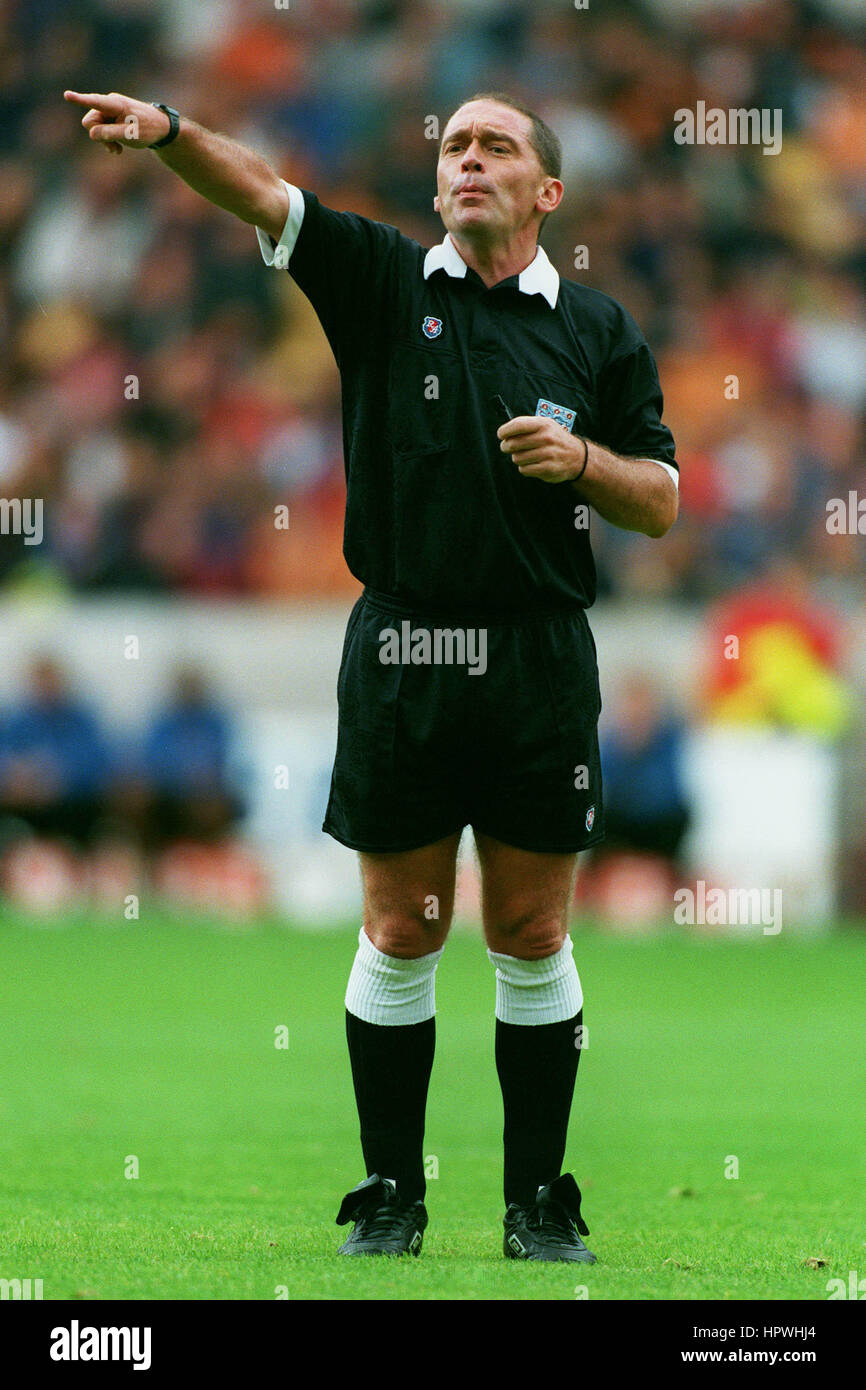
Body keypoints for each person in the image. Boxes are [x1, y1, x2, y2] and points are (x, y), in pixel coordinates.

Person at [64, 87, 679, 1263]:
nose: (467, 160)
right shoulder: (386, 283)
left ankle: (536, 1203)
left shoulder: (596, 328)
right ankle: (389, 1194)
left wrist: (581, 460)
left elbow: (659, 498)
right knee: (402, 925)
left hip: (539, 658)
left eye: (495, 146)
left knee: (532, 929)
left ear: (547, 191)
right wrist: (170, 133)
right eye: (451, 144)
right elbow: (263, 190)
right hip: (403, 649)